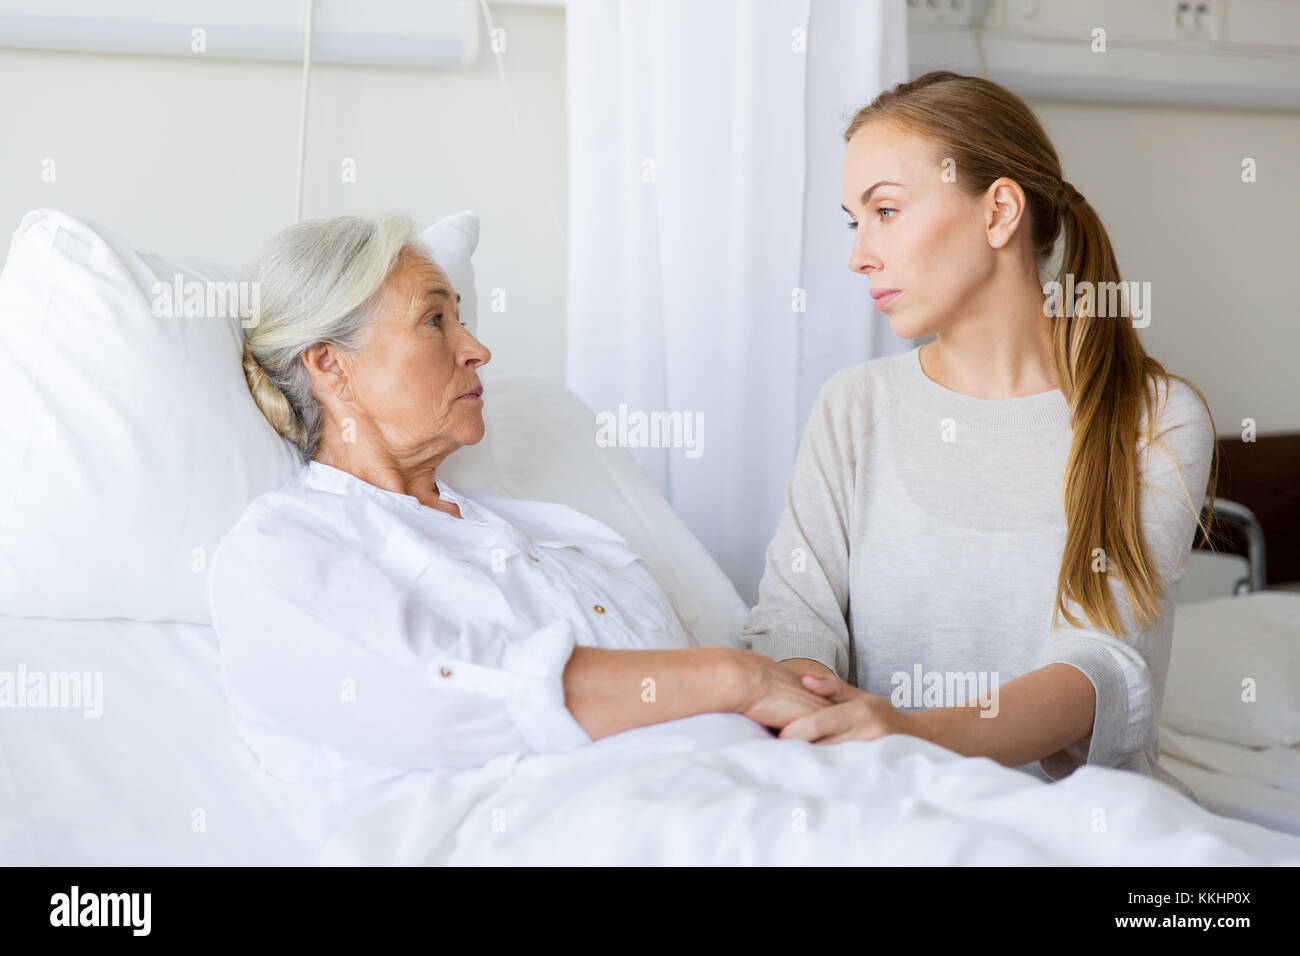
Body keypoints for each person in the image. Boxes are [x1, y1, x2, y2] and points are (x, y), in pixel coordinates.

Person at [209, 214, 828, 812]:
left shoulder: (557, 537)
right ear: (330, 365)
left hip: (782, 785)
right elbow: (435, 699)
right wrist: (730, 675)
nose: (477, 349)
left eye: (462, 320)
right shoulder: (284, 547)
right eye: (434, 321)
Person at [740, 71, 1218, 800]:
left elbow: (1101, 666)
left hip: (1085, 821)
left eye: (886, 211)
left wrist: (910, 735)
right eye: (853, 220)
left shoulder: (1154, 418)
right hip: (878, 801)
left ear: (998, 212)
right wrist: (829, 737)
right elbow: (792, 628)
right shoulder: (854, 408)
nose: (858, 254)